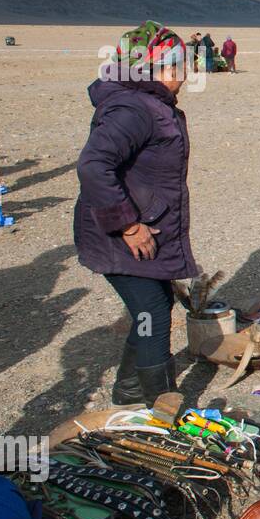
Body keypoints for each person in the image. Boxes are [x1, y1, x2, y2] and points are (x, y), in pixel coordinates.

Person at [75, 22, 198, 408]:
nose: (189, 72)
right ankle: (159, 405)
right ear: (166, 66)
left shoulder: (148, 103)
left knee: (156, 305)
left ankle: (129, 391)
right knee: (153, 312)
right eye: (184, 63)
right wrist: (128, 225)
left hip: (143, 223)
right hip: (120, 231)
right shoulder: (133, 107)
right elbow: (94, 166)